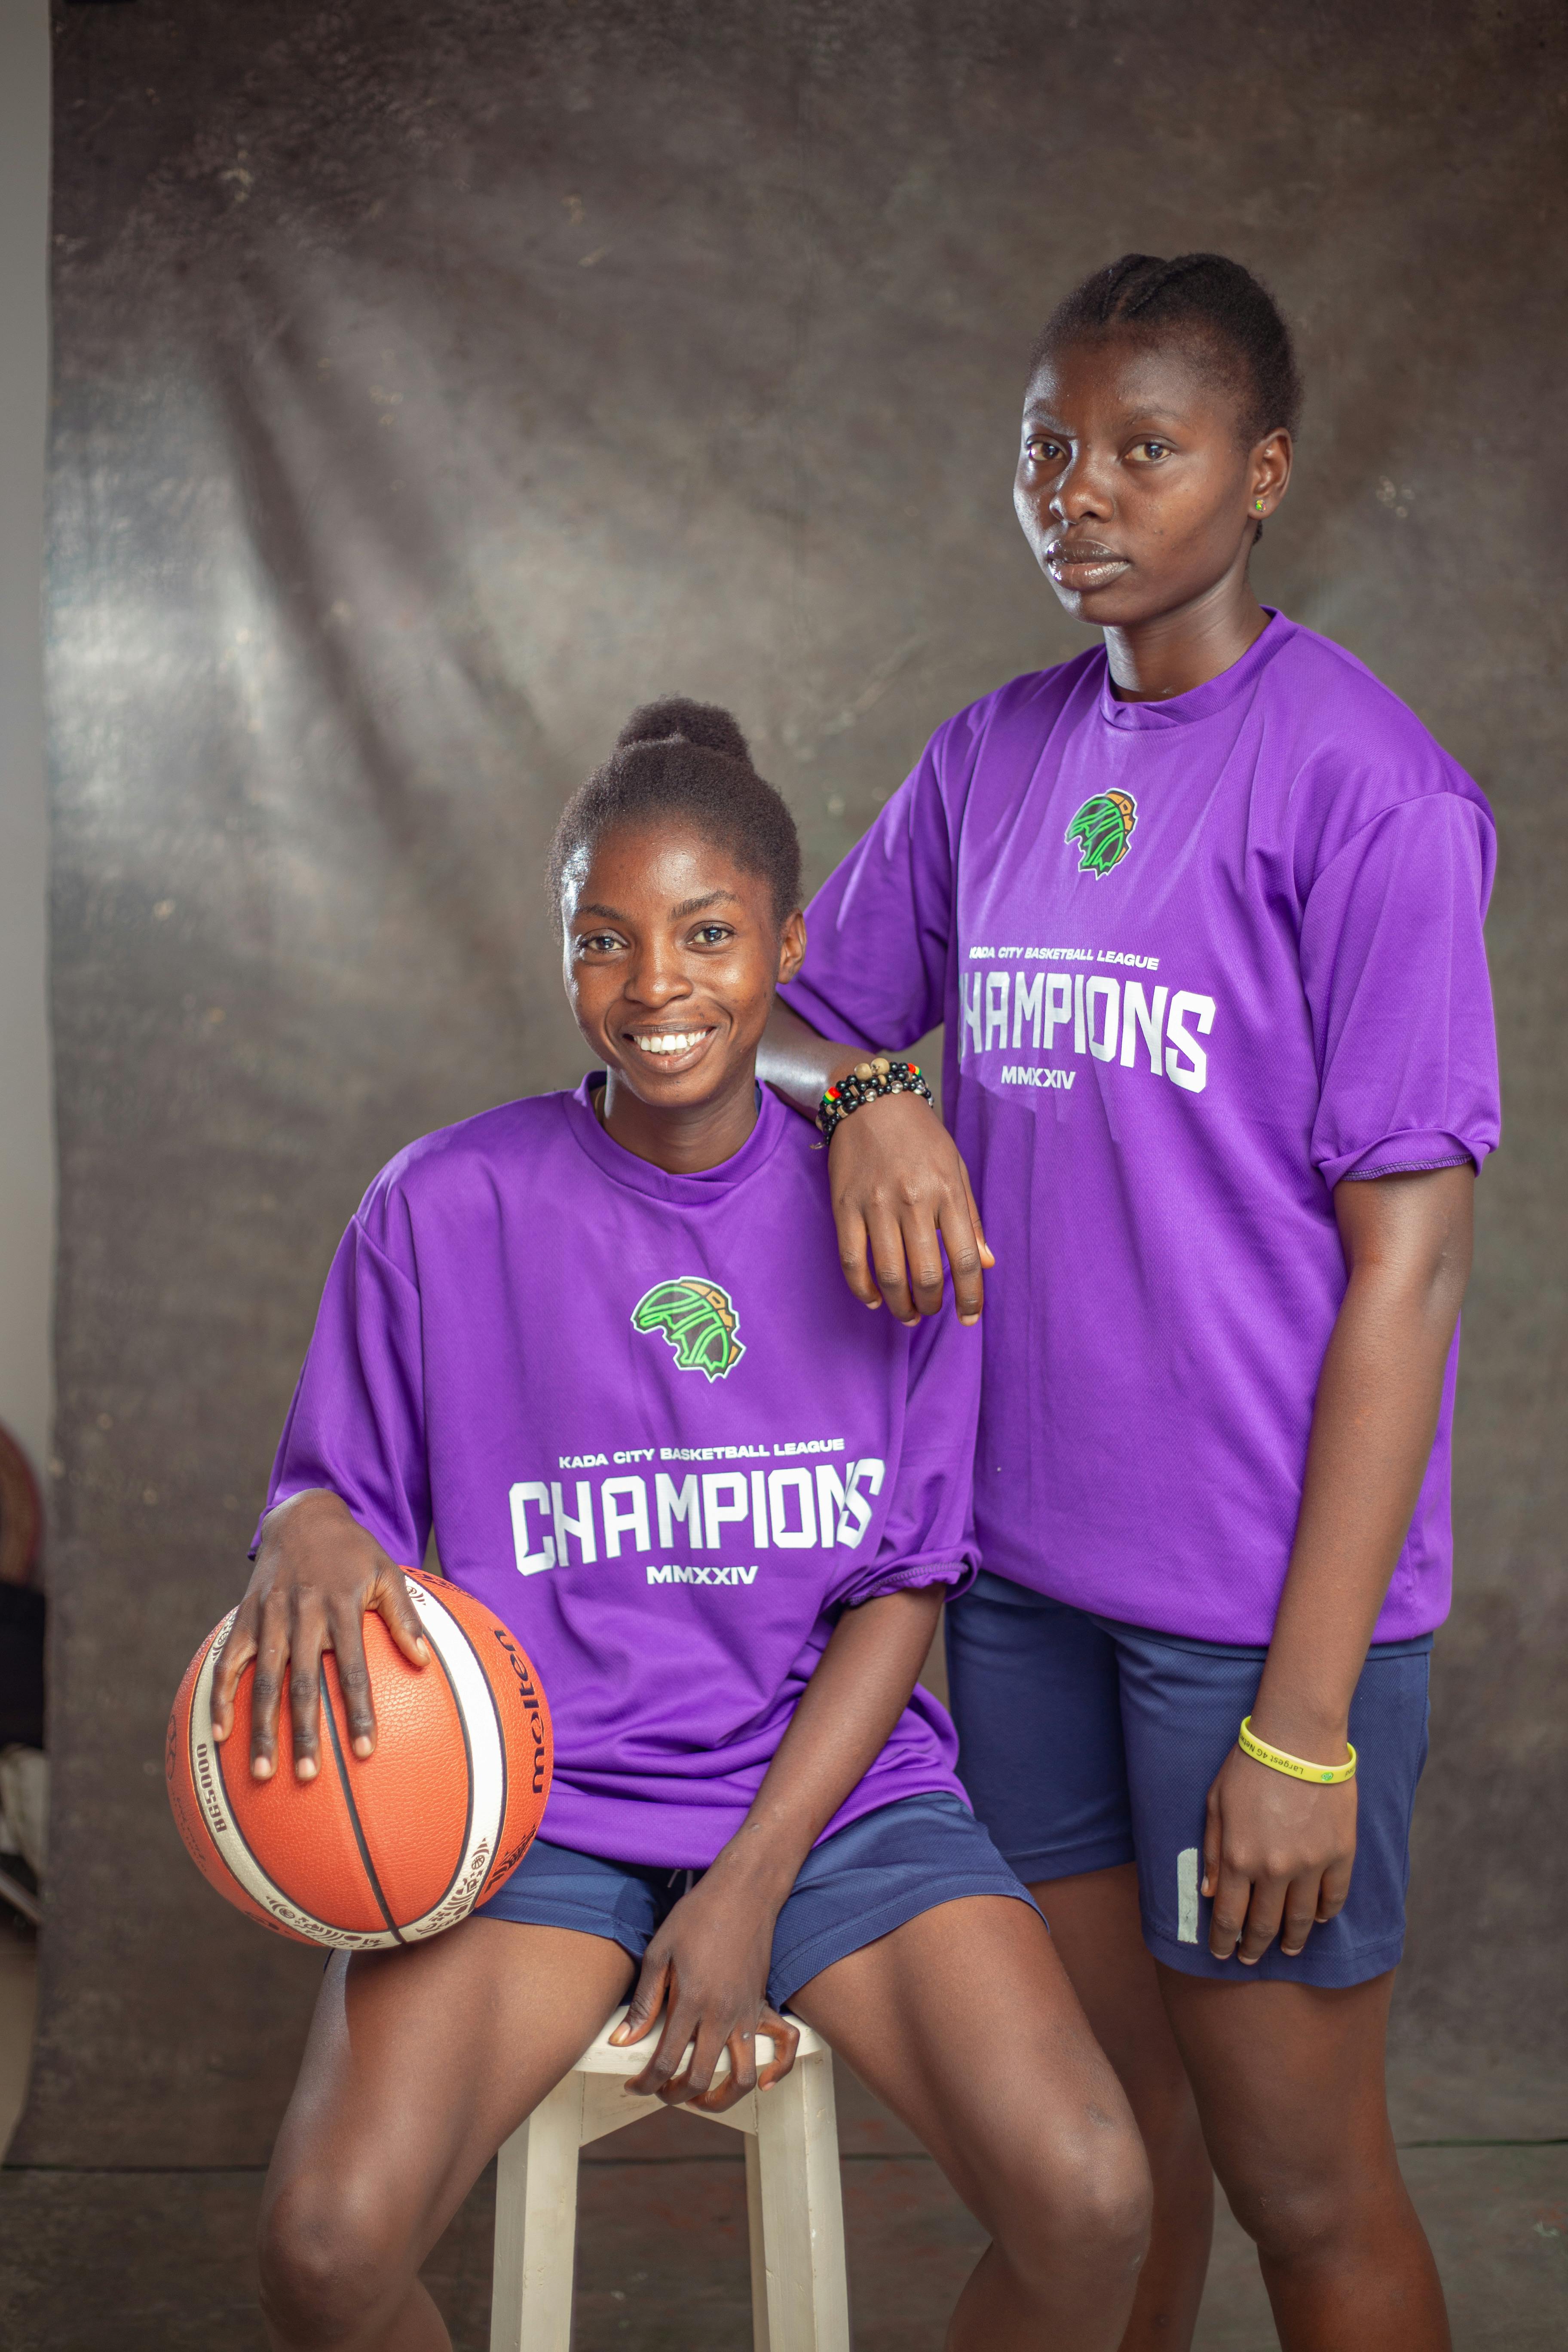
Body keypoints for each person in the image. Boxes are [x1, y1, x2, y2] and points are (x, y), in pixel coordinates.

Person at [212, 700, 1153, 2352]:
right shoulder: (443, 1208)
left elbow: (902, 1588)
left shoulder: (899, 1224)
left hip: (826, 1799)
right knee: (324, 2247)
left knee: (1092, 2198)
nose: (656, 987)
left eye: (709, 934)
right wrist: (294, 1522)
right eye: (605, 939)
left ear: (791, 947)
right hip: (535, 1812)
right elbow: (329, 1497)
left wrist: (745, 1888)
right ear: (565, 952)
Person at [761, 254, 1498, 2352]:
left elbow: (1413, 1273)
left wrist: (1305, 1717)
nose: (1078, 493)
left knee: (1303, 2186)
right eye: (1047, 448)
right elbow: (792, 1035)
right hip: (1015, 1590)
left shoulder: (1370, 793)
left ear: (1258, 476)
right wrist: (884, 1092)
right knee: (1119, 2155)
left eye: (1142, 451)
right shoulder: (995, 761)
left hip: (1250, 1627)